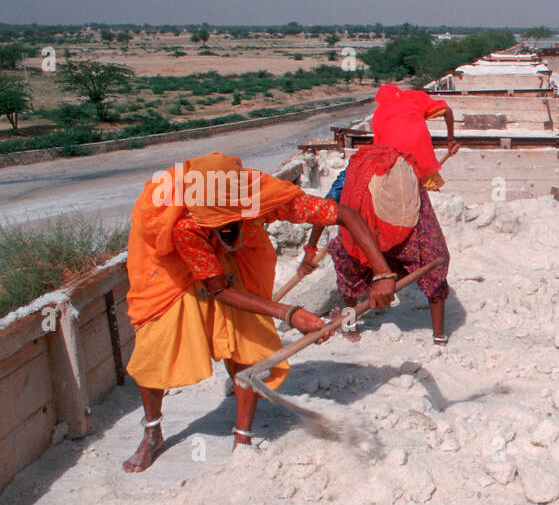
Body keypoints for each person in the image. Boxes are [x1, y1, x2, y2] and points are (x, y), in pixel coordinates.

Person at [122, 152, 396, 473]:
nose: (220, 223)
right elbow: (220, 290)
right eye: (213, 219)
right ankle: (152, 431)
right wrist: (290, 313)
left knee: (249, 345)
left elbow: (344, 214)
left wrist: (383, 274)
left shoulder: (258, 198)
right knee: (156, 349)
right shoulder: (185, 224)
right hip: (173, 270)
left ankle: (243, 438)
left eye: (225, 218)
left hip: (238, 262)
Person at [305, 84, 457, 343]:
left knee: (343, 237)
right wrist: (450, 138)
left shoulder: (382, 114)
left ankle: (350, 327)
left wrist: (311, 248)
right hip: (394, 170)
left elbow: (327, 208)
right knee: (432, 250)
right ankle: (440, 336)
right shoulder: (417, 103)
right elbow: (446, 111)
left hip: (376, 167)